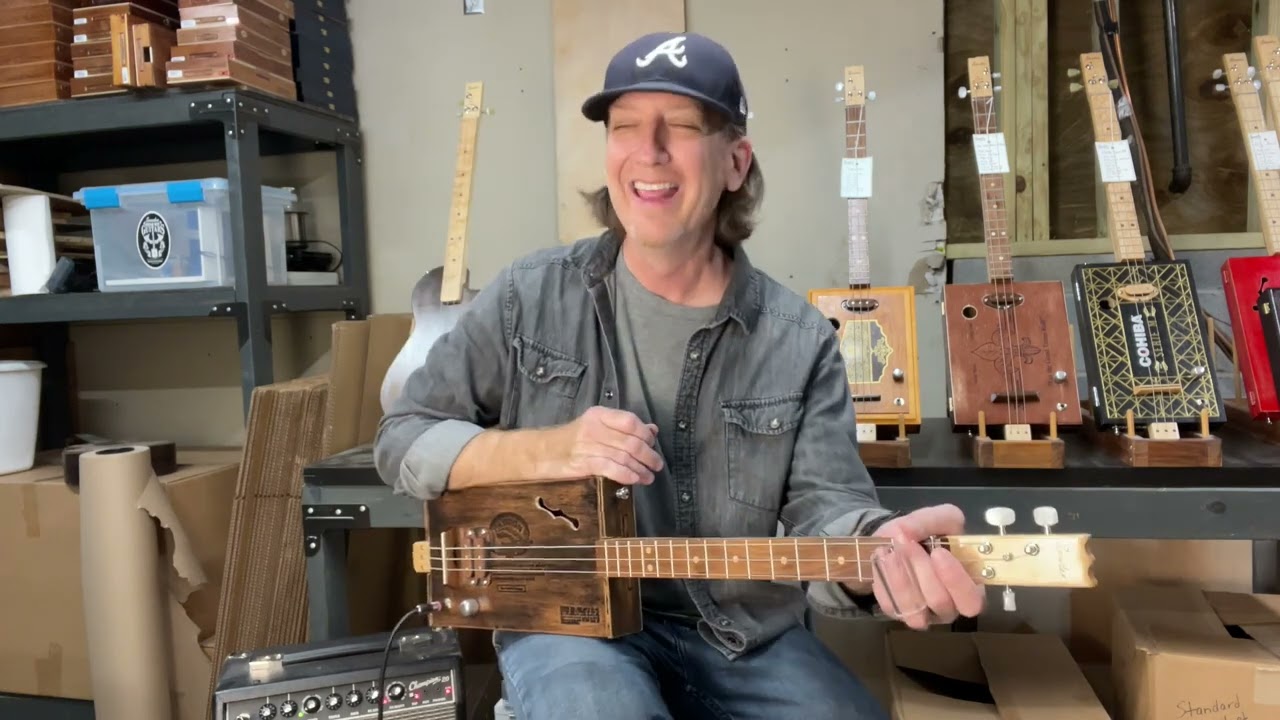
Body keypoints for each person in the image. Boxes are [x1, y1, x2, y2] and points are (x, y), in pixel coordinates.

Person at [375, 30, 985, 720]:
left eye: (683, 127)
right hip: (570, 626)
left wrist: (878, 556)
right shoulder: (529, 296)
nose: (649, 150)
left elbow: (828, 509)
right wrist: (547, 447)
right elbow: (403, 438)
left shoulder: (801, 341)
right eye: (626, 127)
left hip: (741, 635)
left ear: (735, 162)